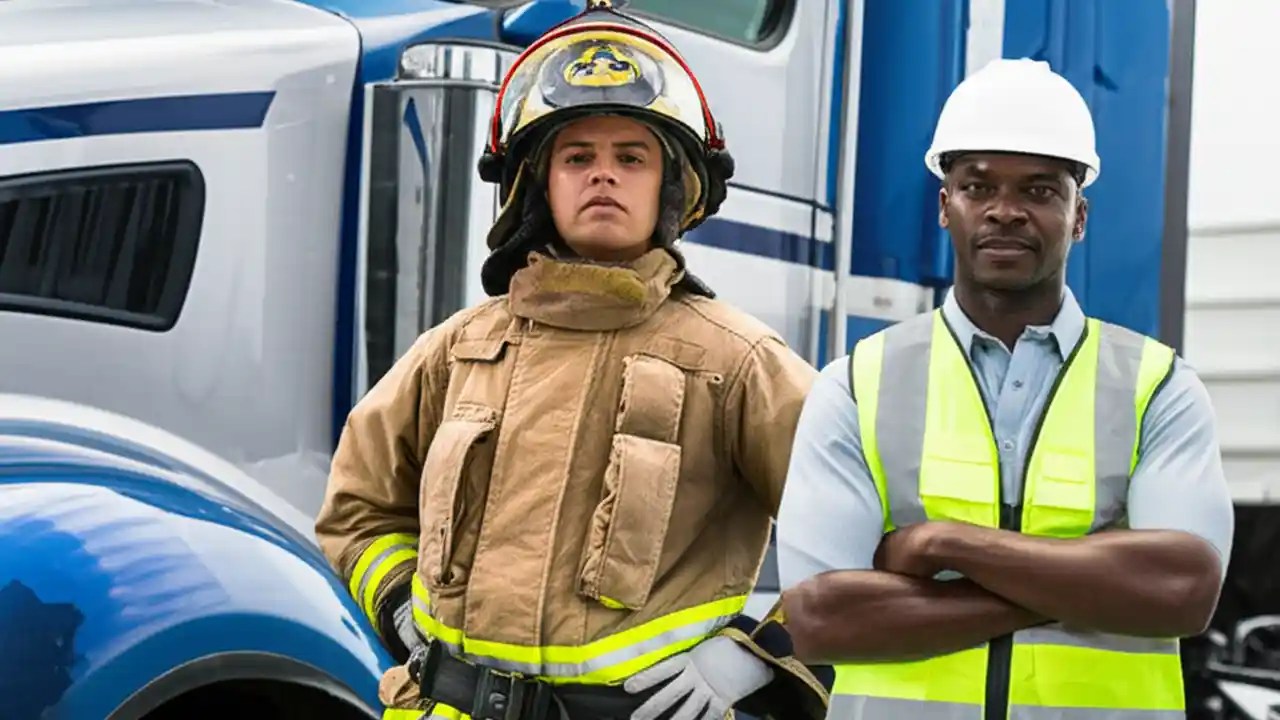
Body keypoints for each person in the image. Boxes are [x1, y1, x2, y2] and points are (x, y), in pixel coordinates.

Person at [314, 2, 830, 719]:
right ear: (539, 186)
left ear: (670, 186)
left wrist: (759, 654)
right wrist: (399, 599)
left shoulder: (737, 363)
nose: (603, 176)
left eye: (631, 158)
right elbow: (359, 507)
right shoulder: (456, 350)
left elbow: (866, 537)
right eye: (577, 157)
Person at [772, 58, 1235, 720]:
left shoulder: (1159, 386)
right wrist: (1096, 584)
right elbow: (822, 621)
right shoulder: (855, 384)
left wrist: (943, 544)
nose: (1006, 211)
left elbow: (1183, 591)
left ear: (1079, 216)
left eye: (1040, 191)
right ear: (945, 206)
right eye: (977, 186)